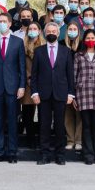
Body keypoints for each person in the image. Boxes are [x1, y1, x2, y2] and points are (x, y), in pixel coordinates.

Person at [0, 12, 26, 163]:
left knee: (12, 121)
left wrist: (22, 87)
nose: (1, 23)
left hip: (13, 88)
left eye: (4, 21)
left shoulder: (18, 42)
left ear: (9, 24)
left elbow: (22, 66)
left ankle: (12, 153)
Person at [32, 22, 75, 165]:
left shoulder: (66, 51)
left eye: (54, 31)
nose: (51, 33)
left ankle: (60, 155)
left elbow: (70, 74)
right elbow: (34, 74)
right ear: (44, 33)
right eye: (48, 31)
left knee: (59, 125)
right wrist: (34, 93)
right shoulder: (39, 51)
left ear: (58, 33)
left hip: (61, 94)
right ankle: (44, 154)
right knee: (44, 125)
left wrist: (70, 94)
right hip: (43, 94)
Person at [72, 29, 95, 165]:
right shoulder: (78, 56)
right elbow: (74, 76)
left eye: (93, 37)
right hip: (83, 94)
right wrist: (74, 96)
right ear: (84, 40)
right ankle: (88, 155)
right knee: (86, 126)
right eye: (88, 38)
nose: (90, 40)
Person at [19, 22, 43, 149]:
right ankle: (30, 139)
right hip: (27, 83)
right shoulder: (22, 46)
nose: (32, 31)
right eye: (30, 29)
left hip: (42, 83)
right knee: (27, 113)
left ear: (39, 31)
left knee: (42, 113)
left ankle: (41, 139)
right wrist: (29, 79)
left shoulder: (44, 46)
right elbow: (21, 65)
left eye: (35, 29)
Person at [63, 21, 83, 150]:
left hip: (81, 83)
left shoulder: (82, 46)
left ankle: (79, 140)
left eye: (74, 29)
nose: (72, 31)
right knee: (68, 114)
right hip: (64, 83)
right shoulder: (61, 45)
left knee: (80, 113)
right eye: (70, 29)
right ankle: (70, 140)